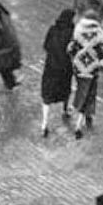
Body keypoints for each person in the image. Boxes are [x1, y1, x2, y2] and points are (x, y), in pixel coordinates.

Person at [68, 9, 103, 138]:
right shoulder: (99, 34)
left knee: (81, 89)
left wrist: (76, 58)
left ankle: (83, 114)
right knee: (90, 93)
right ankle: (83, 120)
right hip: (92, 69)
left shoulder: (77, 32)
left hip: (78, 69)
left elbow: (70, 49)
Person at [40, 8, 76, 138]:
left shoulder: (52, 29)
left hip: (50, 66)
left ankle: (44, 124)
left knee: (47, 95)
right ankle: (66, 109)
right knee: (65, 89)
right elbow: (74, 50)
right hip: (65, 67)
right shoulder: (72, 32)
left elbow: (45, 45)